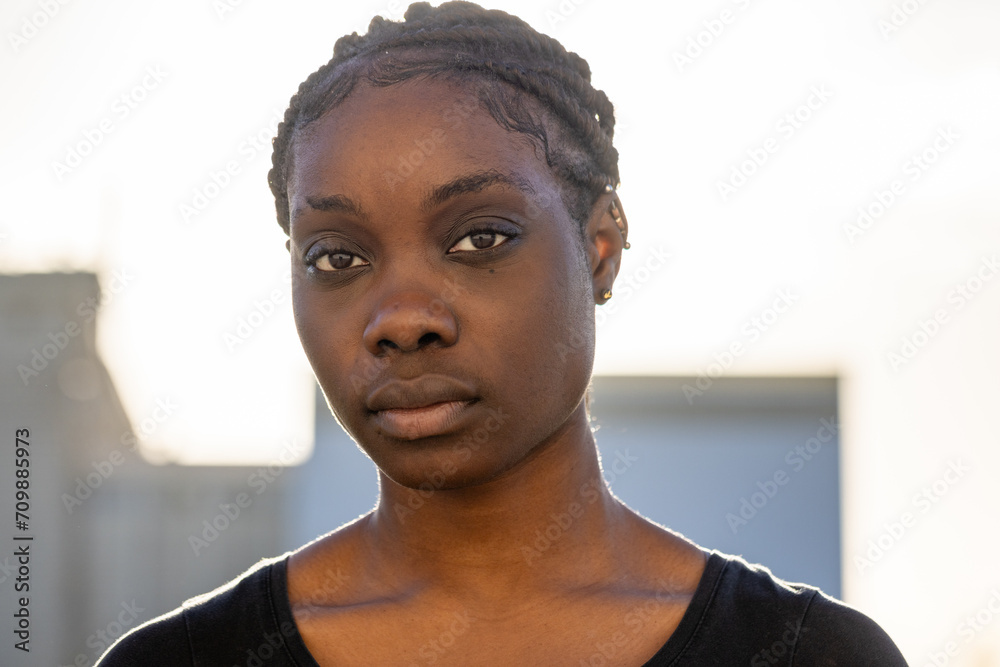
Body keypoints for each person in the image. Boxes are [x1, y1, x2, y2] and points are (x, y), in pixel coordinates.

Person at [97, 2, 909, 664]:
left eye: (479, 238)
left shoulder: (807, 655)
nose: (403, 319)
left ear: (601, 247)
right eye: (337, 255)